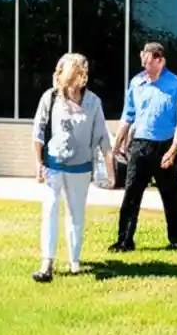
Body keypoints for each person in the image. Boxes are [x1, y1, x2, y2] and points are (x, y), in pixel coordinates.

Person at [30, 53, 116, 283]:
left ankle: (74, 261)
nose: (67, 87)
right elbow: (37, 133)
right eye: (64, 80)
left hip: (80, 167)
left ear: (82, 78)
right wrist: (38, 163)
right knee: (50, 208)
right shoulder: (49, 98)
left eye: (72, 80)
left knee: (76, 213)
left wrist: (111, 172)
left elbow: (102, 138)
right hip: (53, 164)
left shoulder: (93, 102)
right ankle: (46, 262)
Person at [110, 41, 177, 251]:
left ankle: (176, 240)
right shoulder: (136, 84)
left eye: (149, 63)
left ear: (160, 60)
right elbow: (127, 115)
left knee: (171, 195)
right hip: (140, 145)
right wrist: (117, 145)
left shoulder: (176, 86)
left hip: (165, 145)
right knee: (131, 194)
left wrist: (172, 151)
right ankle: (124, 240)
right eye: (143, 62)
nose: (145, 67)